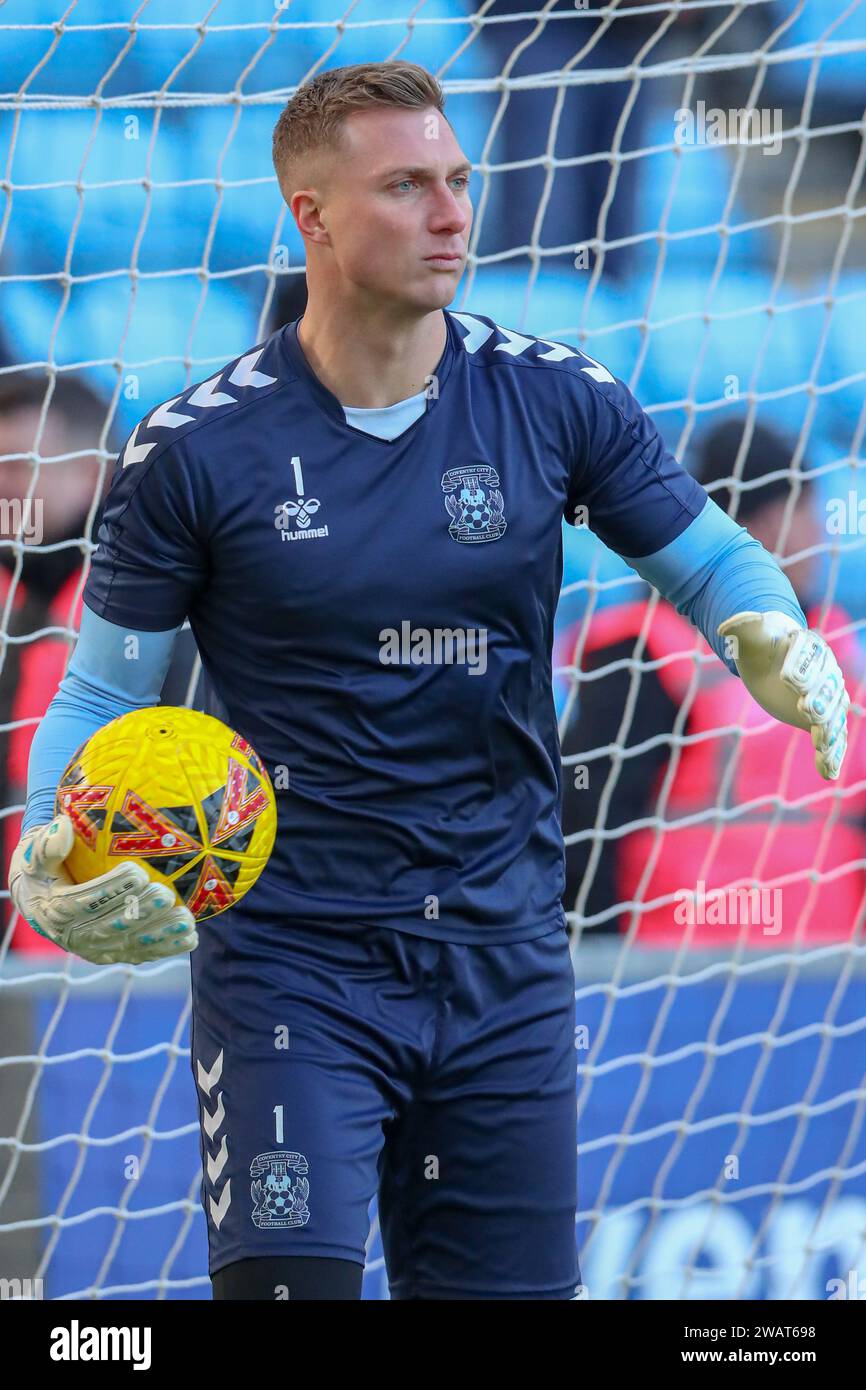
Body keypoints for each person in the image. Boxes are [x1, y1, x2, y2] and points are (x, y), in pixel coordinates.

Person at [7, 63, 850, 1301]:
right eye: (406, 186)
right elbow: (98, 693)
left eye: (457, 180)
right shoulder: (194, 449)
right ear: (313, 216)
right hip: (291, 965)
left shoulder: (555, 396)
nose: (453, 213)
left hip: (502, 961)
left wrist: (765, 624)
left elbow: (712, 555)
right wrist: (45, 832)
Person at [558, 419, 864, 945]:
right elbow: (588, 823)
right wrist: (598, 962)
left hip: (831, 969)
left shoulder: (835, 645)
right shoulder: (644, 652)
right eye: (806, 513)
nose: (820, 536)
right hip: (676, 972)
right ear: (766, 525)